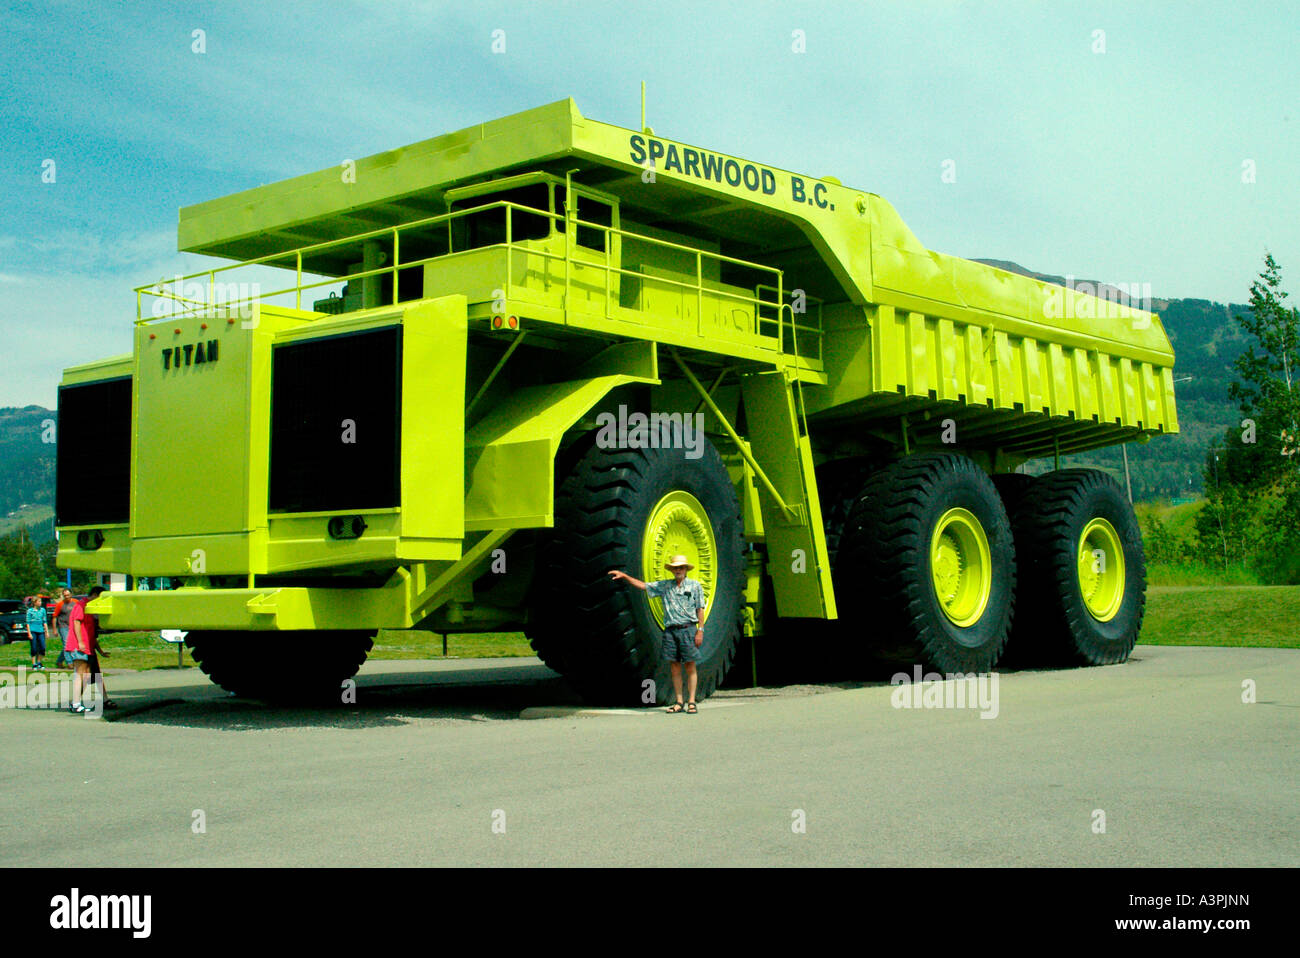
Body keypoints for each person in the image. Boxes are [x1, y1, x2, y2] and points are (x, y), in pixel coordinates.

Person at [608, 555, 706, 714]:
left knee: (690, 665)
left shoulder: (695, 586)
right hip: (671, 630)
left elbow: (700, 609)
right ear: (672, 570)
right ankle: (679, 701)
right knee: (674, 666)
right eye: (675, 568)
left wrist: (700, 631)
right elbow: (643, 586)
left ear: (686, 569)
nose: (678, 570)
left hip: (688, 629)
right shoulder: (665, 586)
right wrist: (625, 576)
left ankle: (692, 701)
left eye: (681, 567)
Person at [65, 585, 113, 713]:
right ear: (95, 595)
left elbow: (90, 633)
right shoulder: (81, 605)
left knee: (89, 675)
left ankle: (79, 702)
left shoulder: (90, 608)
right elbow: (77, 622)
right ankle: (75, 704)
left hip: (88, 646)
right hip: (79, 645)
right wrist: (80, 642)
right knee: (81, 674)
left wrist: (100, 650)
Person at [51, 588, 75, 668]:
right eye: (65, 596)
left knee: (70, 645)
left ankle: (59, 661)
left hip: (73, 626)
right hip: (63, 626)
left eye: (68, 595)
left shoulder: (76, 602)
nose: (66, 597)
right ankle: (70, 663)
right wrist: (54, 629)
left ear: (71, 595)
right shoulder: (60, 604)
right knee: (66, 644)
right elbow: (54, 617)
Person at [25, 596, 49, 670]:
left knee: (42, 647)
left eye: (40, 601)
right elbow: (28, 623)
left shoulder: (42, 610)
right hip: (33, 630)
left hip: (41, 630)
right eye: (39, 601)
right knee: (34, 647)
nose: (40, 603)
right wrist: (29, 633)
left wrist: (46, 631)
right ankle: (34, 663)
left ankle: (39, 662)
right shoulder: (30, 611)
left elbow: (44, 621)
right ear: (34, 603)